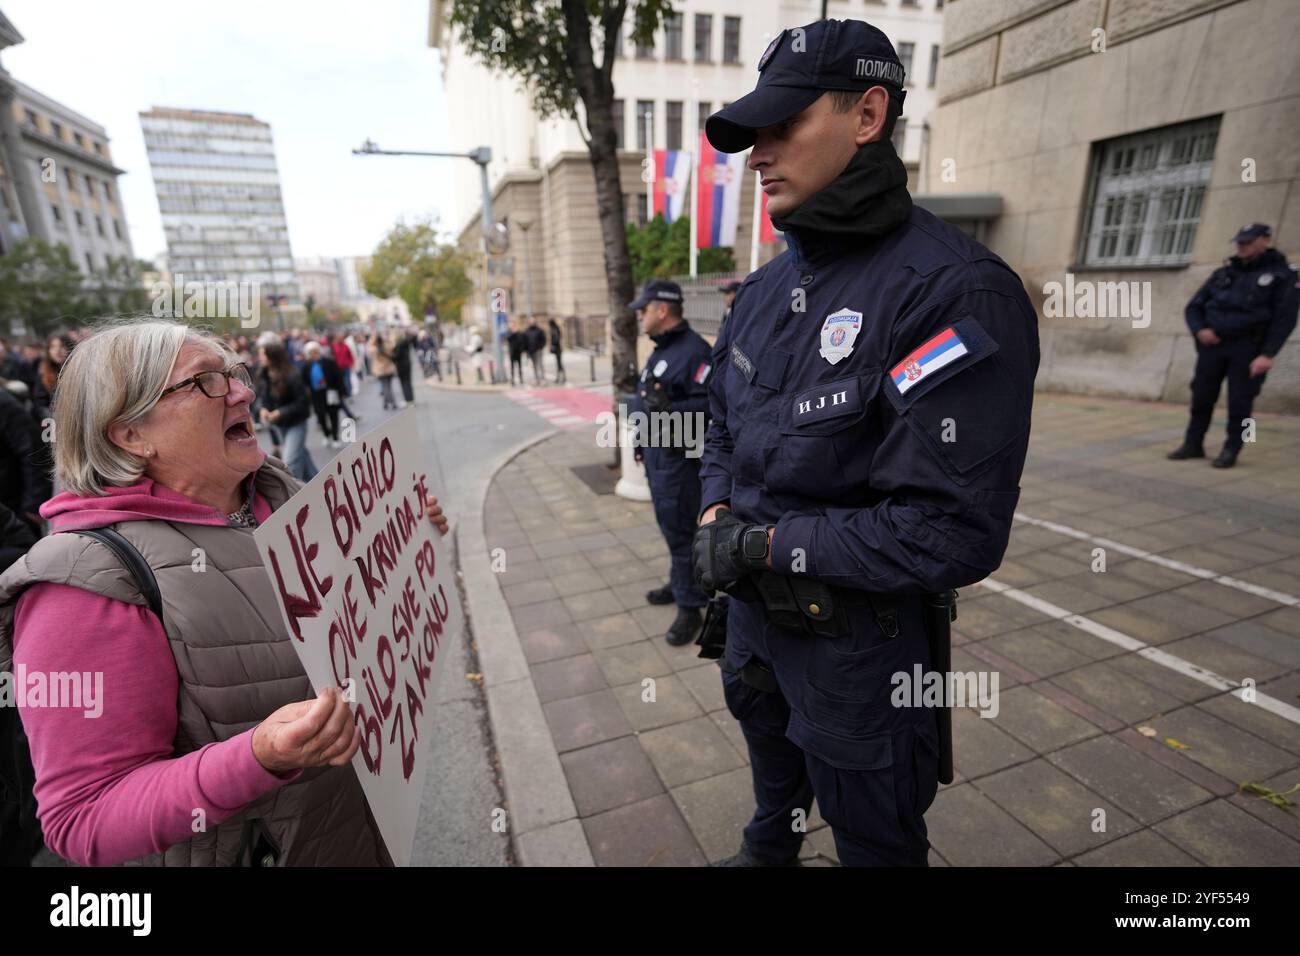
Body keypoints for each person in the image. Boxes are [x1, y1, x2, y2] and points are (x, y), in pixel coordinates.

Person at [693, 18, 1039, 867]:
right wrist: (712, 510)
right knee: (775, 786)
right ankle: (770, 844)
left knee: (875, 839)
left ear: (868, 114)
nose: (760, 154)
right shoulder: (766, 290)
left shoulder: (955, 291)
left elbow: (950, 528)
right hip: (750, 627)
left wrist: (766, 542)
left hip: (856, 652)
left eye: (784, 126)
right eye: (753, 135)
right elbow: (722, 422)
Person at [0, 318, 450, 866]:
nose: (243, 390)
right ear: (129, 433)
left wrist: (401, 530)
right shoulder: (83, 586)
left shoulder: (277, 490)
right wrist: (256, 757)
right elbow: (82, 817)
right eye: (206, 381)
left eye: (234, 372)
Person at [1167, 222, 1298, 469]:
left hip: (1249, 348)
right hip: (1213, 346)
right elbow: (1194, 307)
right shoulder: (1224, 273)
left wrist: (1268, 354)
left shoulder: (1284, 276)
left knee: (1241, 402)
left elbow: (1285, 319)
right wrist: (1200, 329)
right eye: (1239, 241)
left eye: (1248, 241)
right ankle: (1193, 443)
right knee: (1201, 396)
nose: (1241, 245)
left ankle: (1233, 449)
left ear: (1265, 241)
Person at [630, 280, 714, 646]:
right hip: (658, 457)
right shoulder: (661, 349)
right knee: (672, 531)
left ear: (662, 310)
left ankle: (690, 606)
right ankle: (681, 582)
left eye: (643, 309)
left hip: (680, 463)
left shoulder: (694, 351)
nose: (638, 315)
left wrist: (669, 411)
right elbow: (648, 401)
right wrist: (640, 440)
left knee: (682, 534)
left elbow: (711, 407)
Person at [256, 341, 317, 480]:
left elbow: (302, 404)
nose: (260, 358)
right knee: (301, 457)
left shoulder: (292, 375)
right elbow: (262, 398)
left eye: (262, 355)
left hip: (296, 423)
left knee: (290, 463)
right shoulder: (264, 375)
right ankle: (319, 484)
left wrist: (280, 412)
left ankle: (295, 497)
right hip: (279, 425)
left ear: (272, 356)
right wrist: (263, 409)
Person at [302, 340, 345, 448]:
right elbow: (304, 382)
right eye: (311, 352)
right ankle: (326, 434)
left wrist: (341, 391)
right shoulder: (306, 366)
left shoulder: (329, 362)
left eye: (315, 351)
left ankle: (335, 437)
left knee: (333, 415)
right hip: (316, 395)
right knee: (321, 417)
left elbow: (338, 377)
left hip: (331, 392)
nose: (314, 354)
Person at [370, 329, 398, 410]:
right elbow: (392, 346)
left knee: (385, 387)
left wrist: (374, 341)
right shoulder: (386, 346)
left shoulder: (373, 348)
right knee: (388, 386)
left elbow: (370, 348)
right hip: (389, 368)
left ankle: (391, 403)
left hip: (380, 370)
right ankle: (388, 403)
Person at [393, 327, 415, 407]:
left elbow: (396, 356)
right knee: (408, 383)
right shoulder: (404, 342)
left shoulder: (399, 344)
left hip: (402, 366)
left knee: (404, 384)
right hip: (406, 364)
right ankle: (411, 400)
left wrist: (390, 356)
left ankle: (408, 400)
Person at [525, 318, 547, 386]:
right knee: (534, 366)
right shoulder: (527, 331)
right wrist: (526, 350)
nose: (531, 322)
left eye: (533, 321)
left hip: (538, 350)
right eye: (530, 321)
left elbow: (543, 340)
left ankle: (542, 379)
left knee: (540, 365)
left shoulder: (539, 330)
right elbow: (525, 341)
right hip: (531, 351)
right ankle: (536, 379)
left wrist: (540, 347)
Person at [506, 320, 526, 387]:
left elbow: (521, 341)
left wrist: (522, 350)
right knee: (512, 367)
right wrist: (513, 333)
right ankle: (512, 380)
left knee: (519, 366)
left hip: (518, 352)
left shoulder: (519, 333)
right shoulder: (509, 333)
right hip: (512, 352)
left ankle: (521, 379)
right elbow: (508, 339)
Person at [548, 318, 566, 384]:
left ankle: (562, 377)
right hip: (556, 348)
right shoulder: (554, 329)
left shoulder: (556, 329)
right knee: (558, 363)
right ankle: (560, 377)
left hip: (558, 348)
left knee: (559, 363)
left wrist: (561, 346)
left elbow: (559, 338)